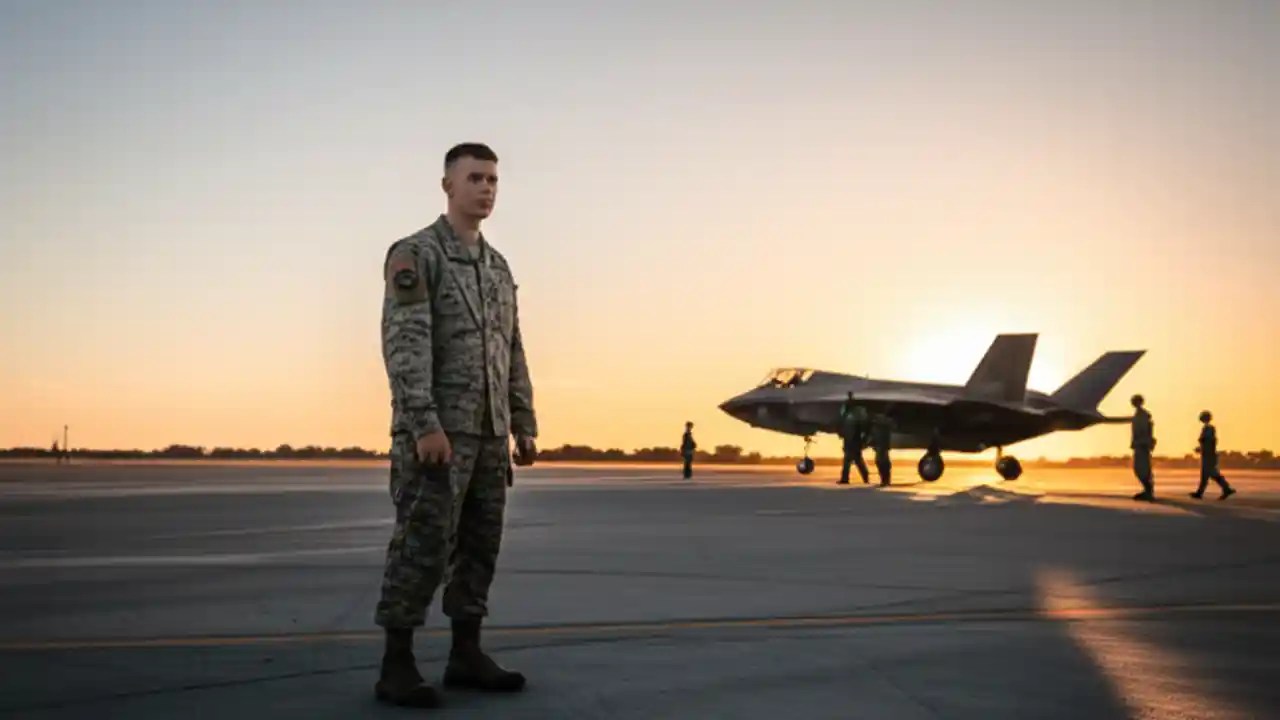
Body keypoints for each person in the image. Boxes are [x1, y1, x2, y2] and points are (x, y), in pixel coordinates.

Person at [375, 142, 537, 707]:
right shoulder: (417, 255)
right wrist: (424, 424)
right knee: (422, 546)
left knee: (479, 547)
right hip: (439, 437)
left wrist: (523, 418)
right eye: (475, 178)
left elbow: (511, 345)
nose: (486, 188)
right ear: (448, 186)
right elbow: (405, 346)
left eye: (493, 179)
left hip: (490, 434)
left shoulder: (498, 267)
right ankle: (396, 665)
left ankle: (466, 654)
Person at [1192, 411, 1236, 500]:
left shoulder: (1208, 429)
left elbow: (1208, 442)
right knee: (1207, 474)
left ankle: (1226, 489)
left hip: (1208, 455)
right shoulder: (1207, 428)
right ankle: (1200, 493)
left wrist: (1202, 449)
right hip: (1208, 454)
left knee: (1211, 474)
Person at [838, 393, 870, 485]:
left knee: (855, 462)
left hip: (853, 443)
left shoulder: (851, 418)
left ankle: (848, 478)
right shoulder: (849, 418)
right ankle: (847, 478)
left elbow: (853, 431)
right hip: (851, 442)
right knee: (853, 462)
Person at [1129, 394, 1155, 501]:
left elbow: (1144, 430)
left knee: (1141, 468)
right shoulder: (1140, 415)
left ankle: (1148, 491)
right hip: (1140, 444)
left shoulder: (1142, 415)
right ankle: (1148, 490)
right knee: (1142, 468)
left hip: (1142, 444)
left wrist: (1144, 442)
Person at [870, 412, 894, 486]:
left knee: (882, 463)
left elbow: (878, 437)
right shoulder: (879, 426)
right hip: (881, 446)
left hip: (882, 447)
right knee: (882, 462)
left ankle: (885, 480)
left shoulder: (881, 426)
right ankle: (885, 480)